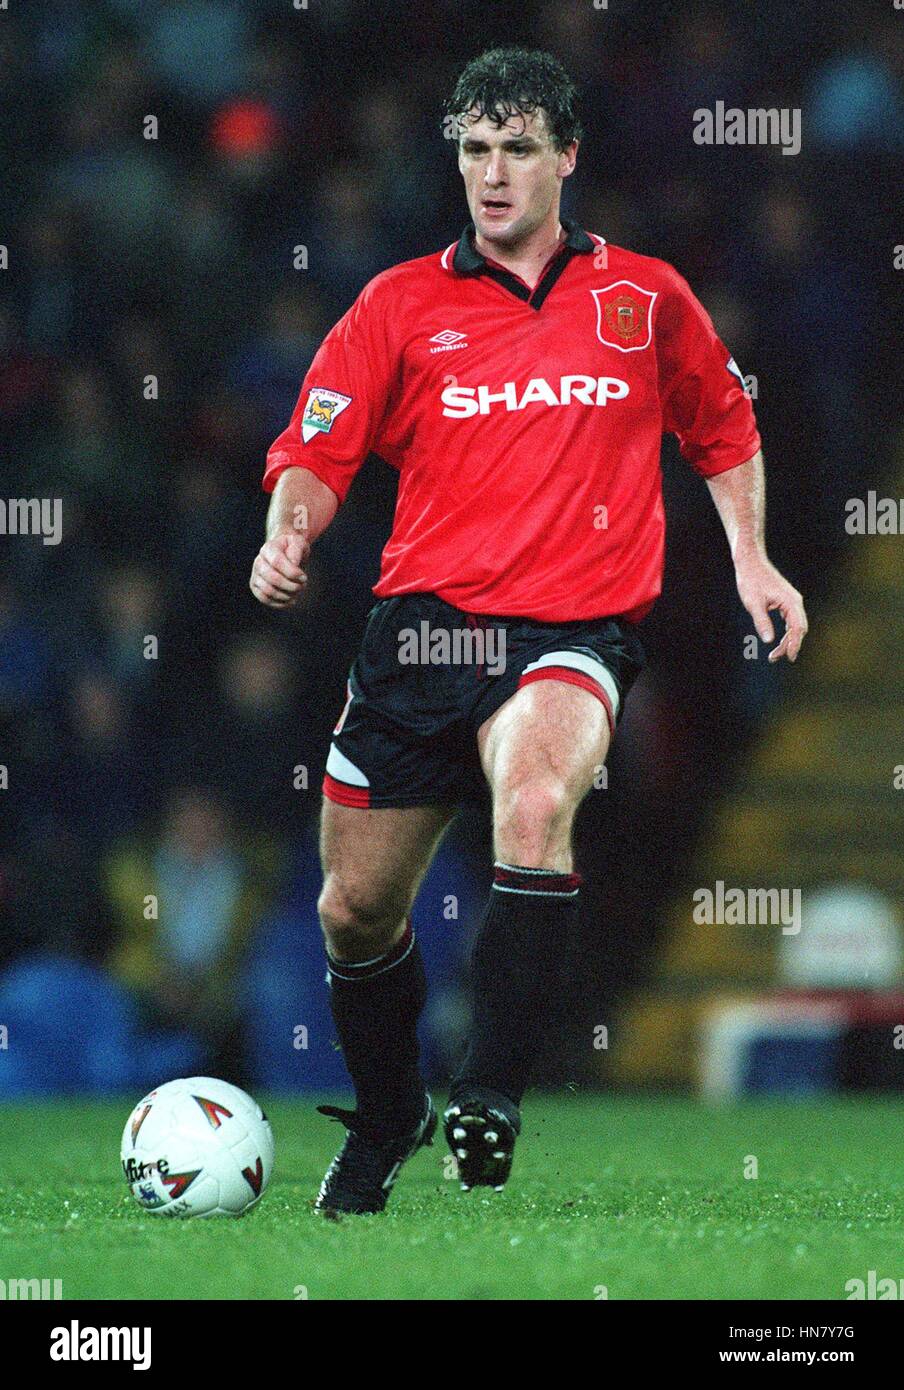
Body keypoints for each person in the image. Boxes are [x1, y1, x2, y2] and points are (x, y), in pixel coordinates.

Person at [249, 47, 808, 1214]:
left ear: (566, 156)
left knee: (539, 801)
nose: (492, 174)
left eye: (515, 149)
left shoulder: (643, 295)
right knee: (353, 914)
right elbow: (314, 449)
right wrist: (288, 533)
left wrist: (752, 555)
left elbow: (722, 423)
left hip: (572, 627)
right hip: (418, 637)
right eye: (473, 150)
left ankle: (489, 1097)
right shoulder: (396, 303)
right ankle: (391, 1108)